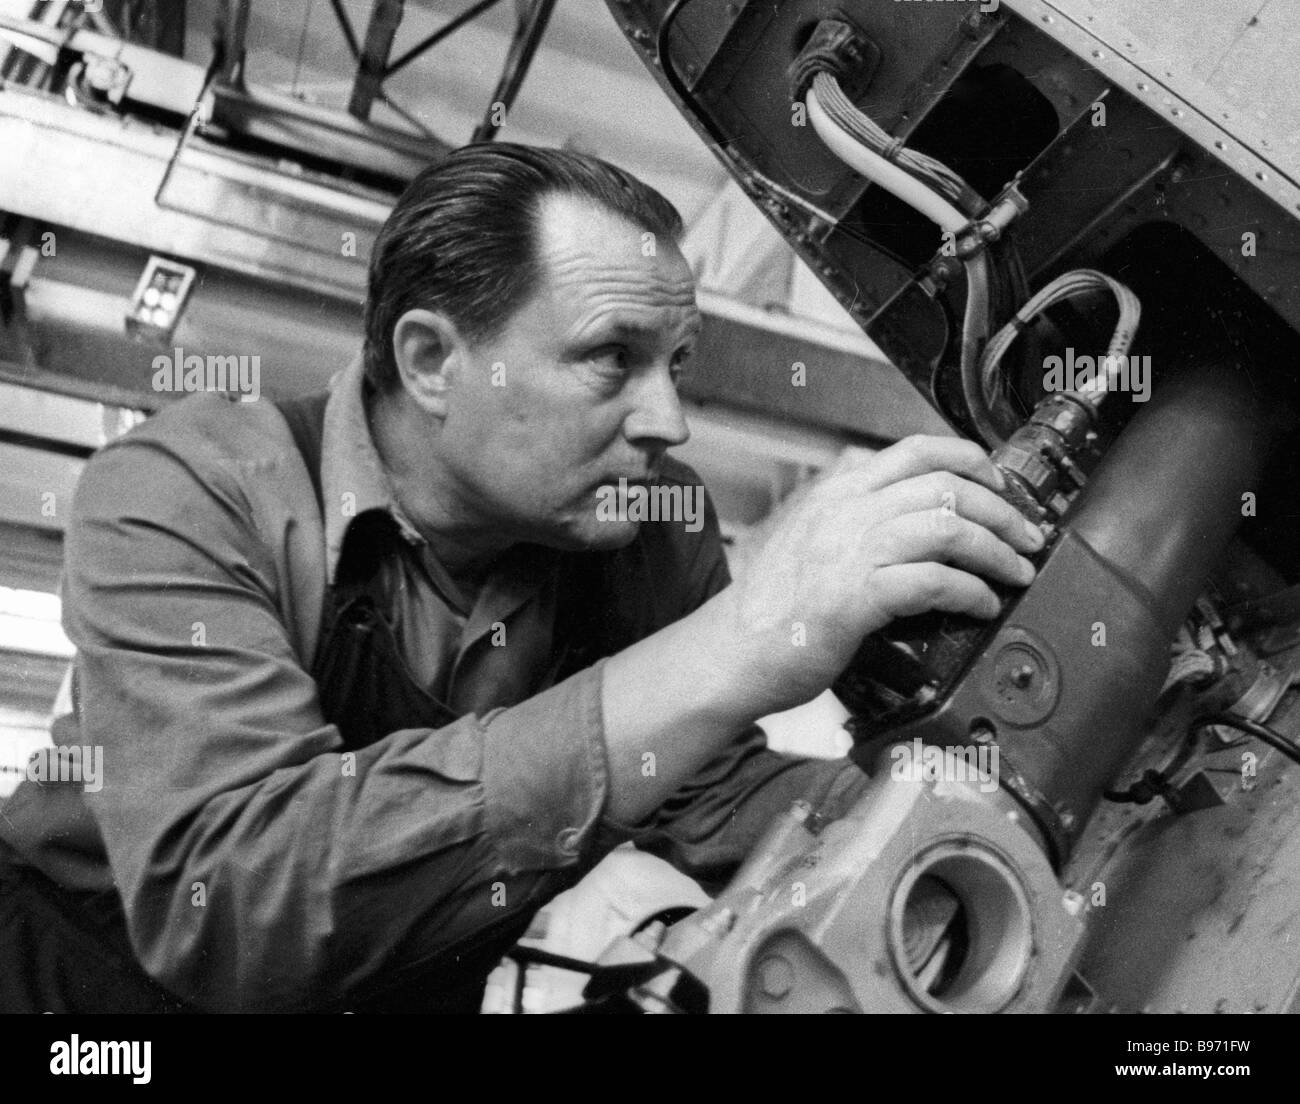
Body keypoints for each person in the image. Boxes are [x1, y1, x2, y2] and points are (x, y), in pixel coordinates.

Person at [0, 143, 1042, 1012]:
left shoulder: (644, 532)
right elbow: (230, 904)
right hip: (76, 986)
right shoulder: (187, 490)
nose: (668, 422)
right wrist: (742, 640)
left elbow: (704, 787)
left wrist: (948, 808)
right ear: (431, 361)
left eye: (675, 363)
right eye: (610, 358)